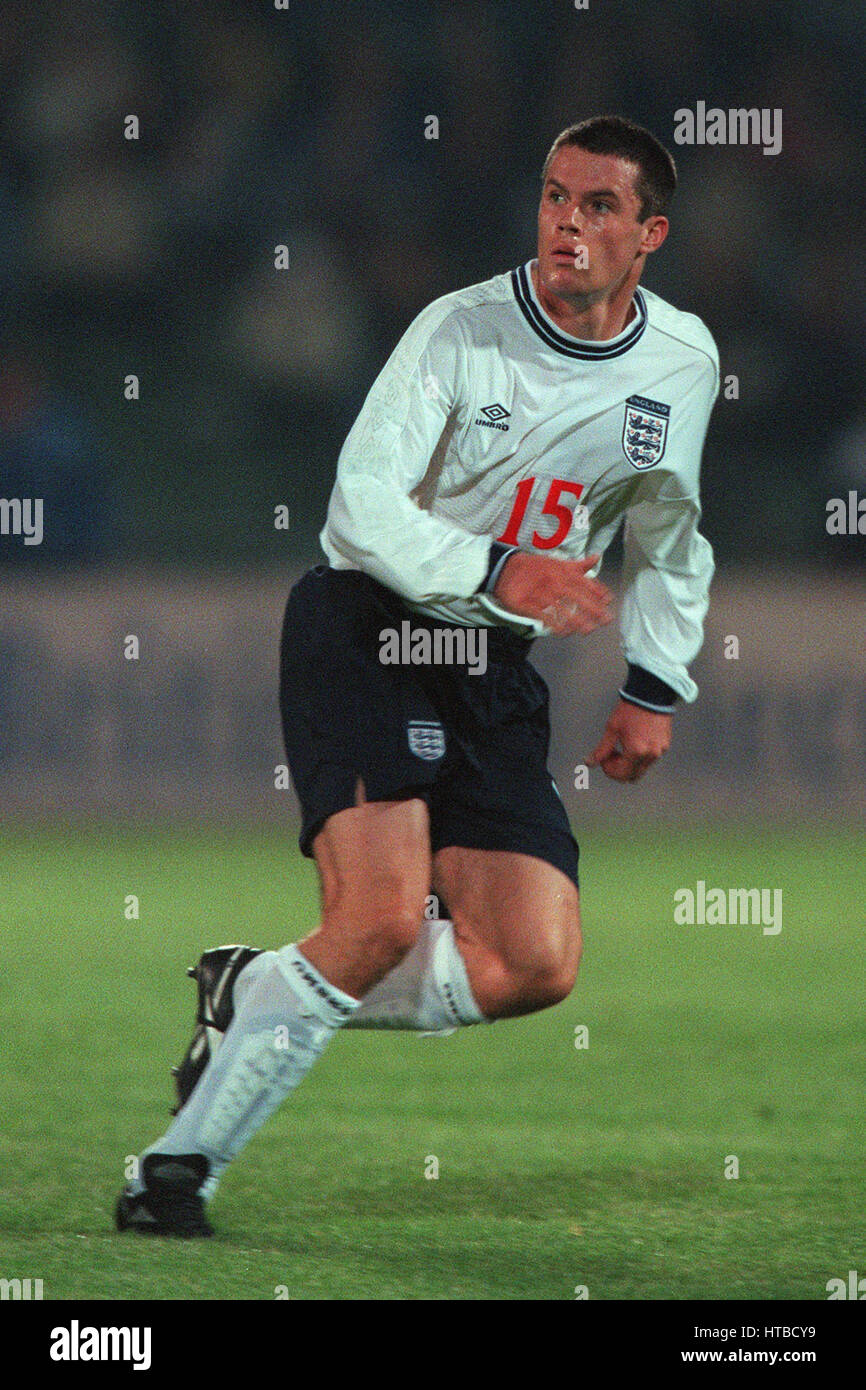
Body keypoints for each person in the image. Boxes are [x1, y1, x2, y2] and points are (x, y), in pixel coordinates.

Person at [116, 115, 717, 1237]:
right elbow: (359, 507)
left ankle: (256, 987)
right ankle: (172, 1172)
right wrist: (501, 565)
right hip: (369, 630)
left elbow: (672, 537)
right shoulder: (458, 331)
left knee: (535, 960)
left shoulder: (682, 365)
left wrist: (654, 682)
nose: (565, 225)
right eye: (551, 197)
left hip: (489, 669)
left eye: (596, 207)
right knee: (380, 921)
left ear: (650, 234)